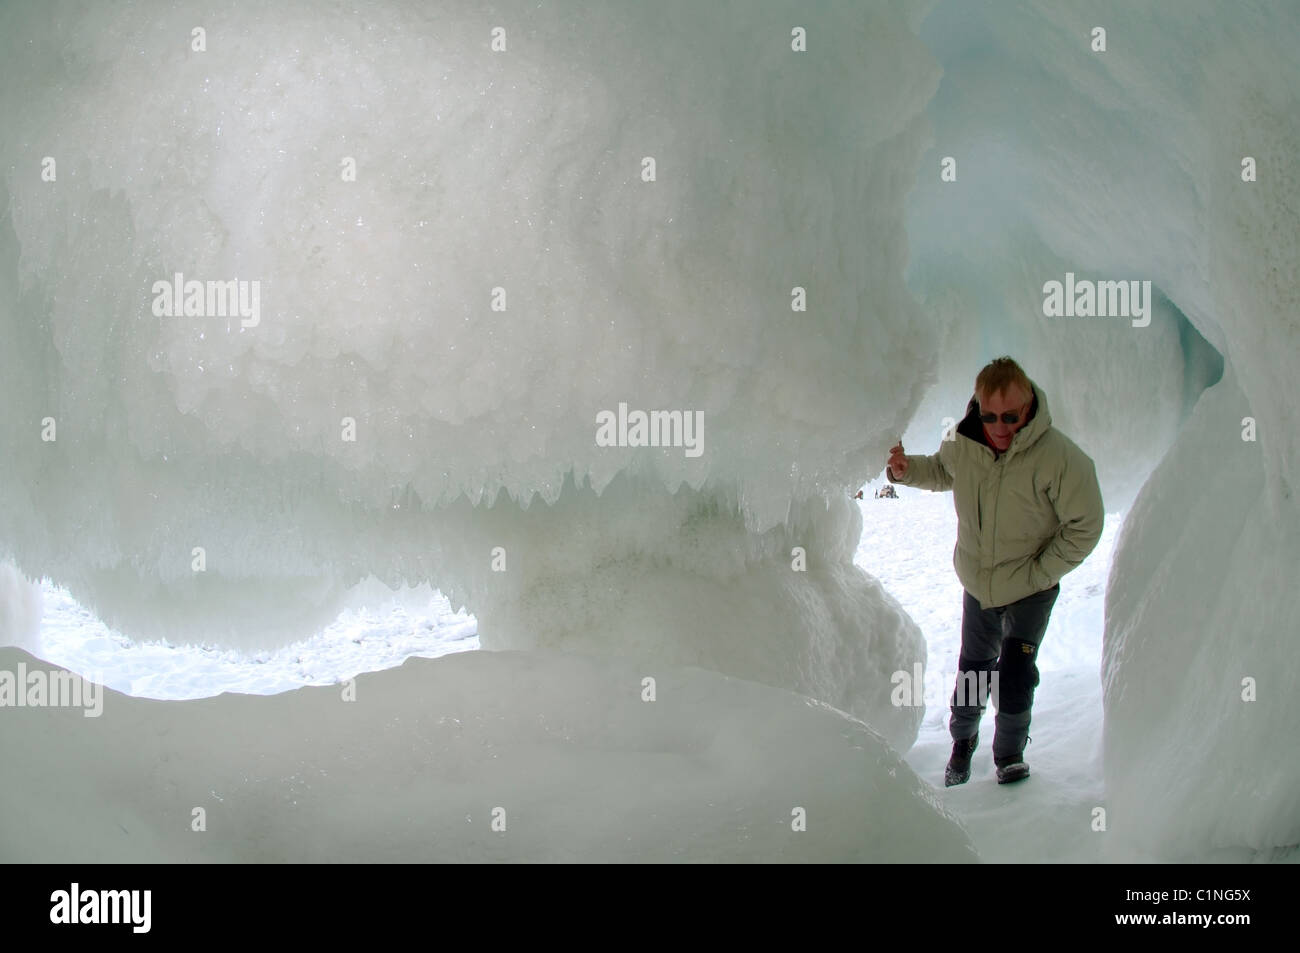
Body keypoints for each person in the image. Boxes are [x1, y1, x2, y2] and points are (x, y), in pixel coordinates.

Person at [885, 357, 1103, 785]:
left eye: (1011, 416)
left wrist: (1042, 572)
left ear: (1029, 408)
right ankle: (962, 743)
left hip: (1031, 589)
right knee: (974, 670)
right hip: (979, 586)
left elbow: (1087, 523)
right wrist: (907, 470)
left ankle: (1008, 754)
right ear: (977, 409)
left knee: (1016, 674)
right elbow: (944, 470)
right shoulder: (963, 442)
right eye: (990, 415)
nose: (1000, 426)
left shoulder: (1059, 457)